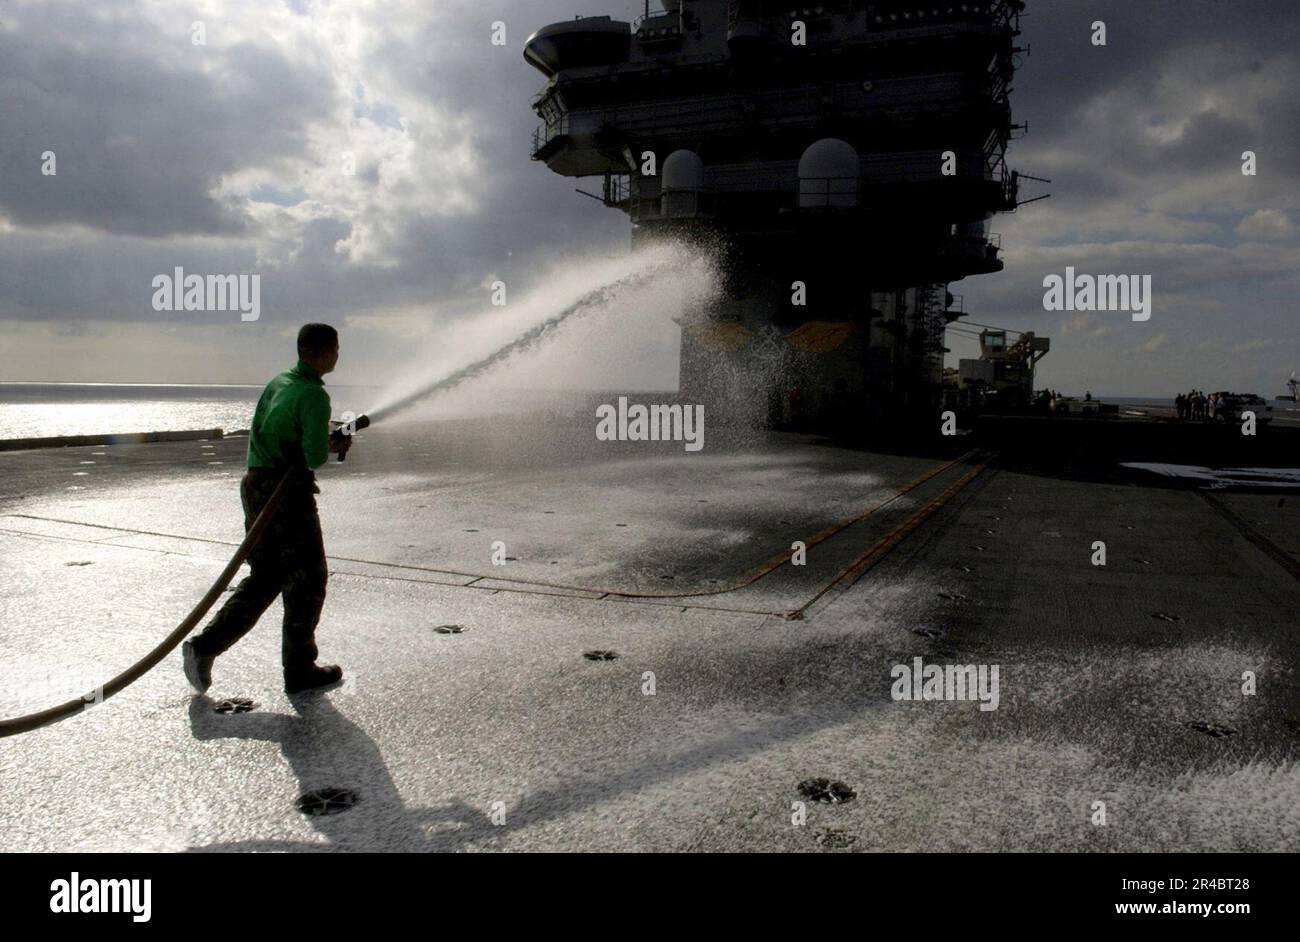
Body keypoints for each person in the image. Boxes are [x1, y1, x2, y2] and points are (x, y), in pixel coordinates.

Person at [183, 324, 350, 695]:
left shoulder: (281, 382)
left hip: (257, 487)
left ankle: (204, 647)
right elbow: (314, 457)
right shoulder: (312, 395)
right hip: (286, 496)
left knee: (267, 577)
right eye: (336, 350)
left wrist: (321, 436)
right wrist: (333, 440)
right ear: (323, 353)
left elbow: (279, 433)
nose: (338, 356)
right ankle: (300, 669)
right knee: (308, 579)